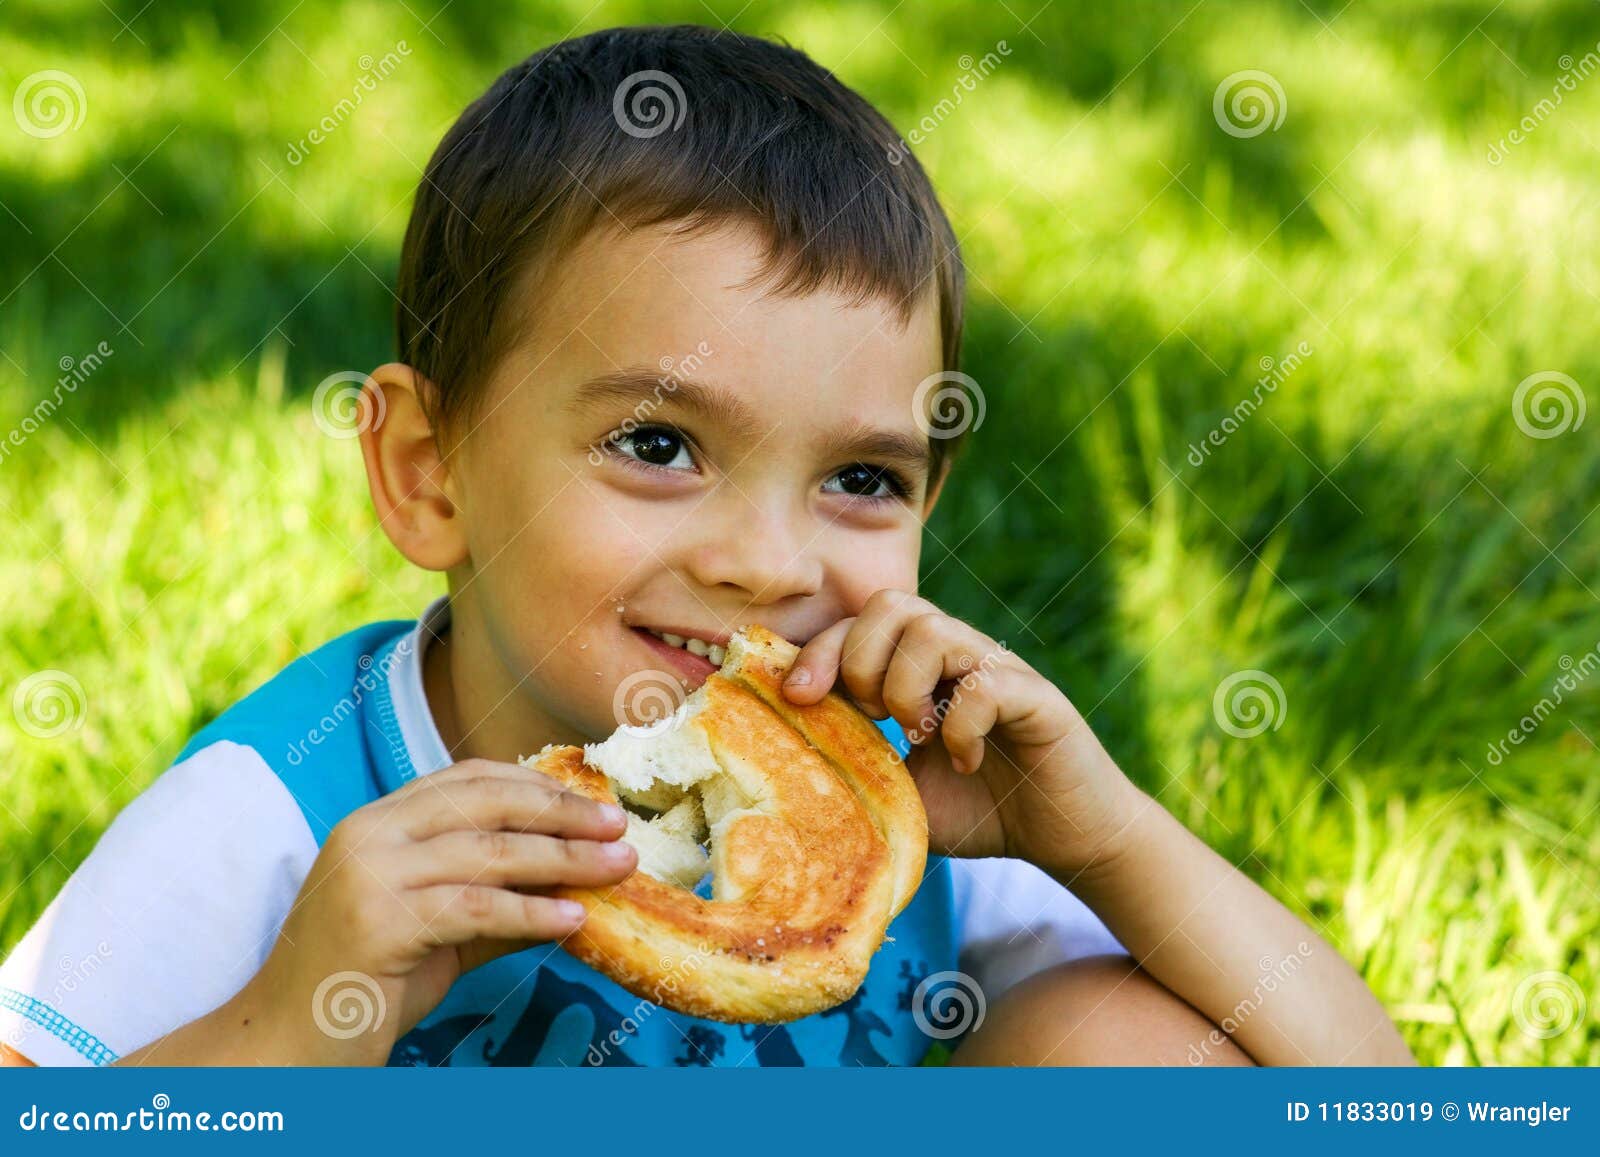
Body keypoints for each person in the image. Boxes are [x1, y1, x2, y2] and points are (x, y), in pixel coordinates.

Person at [0, 24, 1409, 1068]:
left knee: (1121, 1036)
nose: (767, 562)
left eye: (862, 476)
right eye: (660, 445)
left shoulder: (897, 811)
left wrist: (1100, 839)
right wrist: (297, 1012)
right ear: (430, 475)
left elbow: (1360, 1089)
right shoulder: (283, 815)